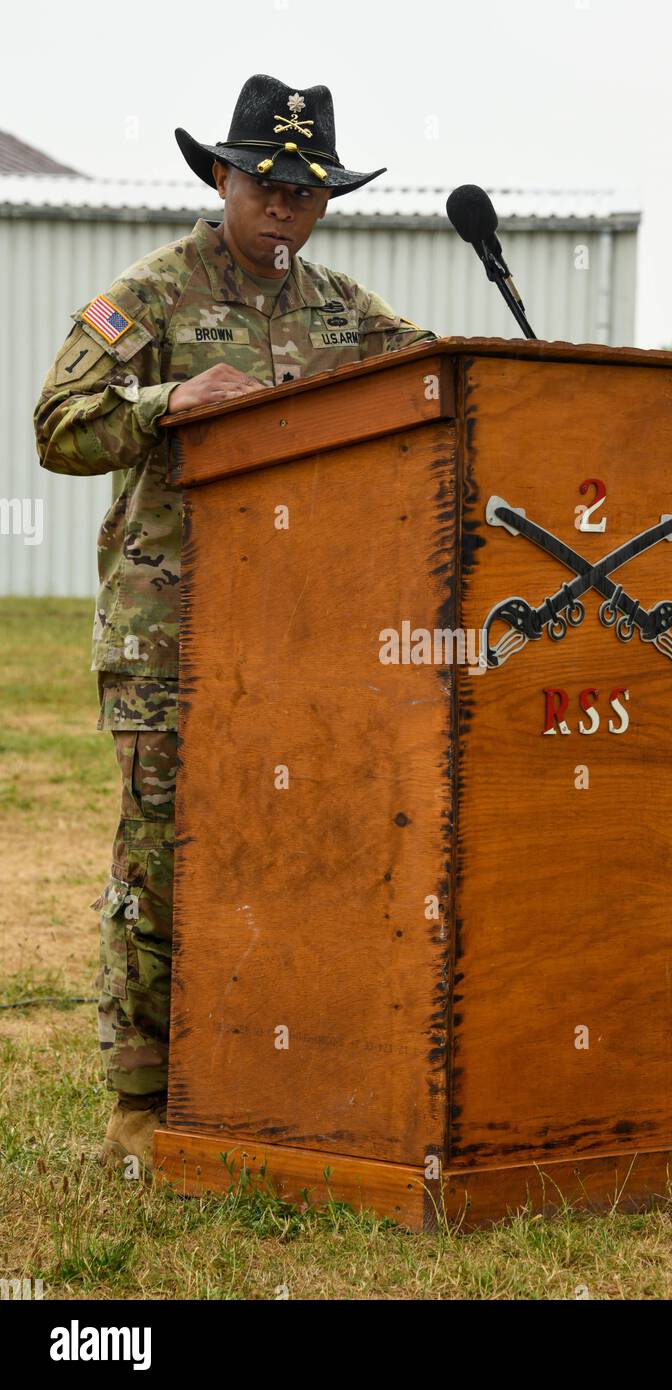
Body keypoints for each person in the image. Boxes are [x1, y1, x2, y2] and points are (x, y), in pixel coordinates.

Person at [33, 74, 437, 1172]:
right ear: (221, 177)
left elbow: (439, 380)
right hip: (167, 629)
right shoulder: (153, 295)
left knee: (294, 852)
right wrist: (168, 402)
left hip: (301, 637)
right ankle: (137, 1101)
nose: (285, 208)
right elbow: (56, 425)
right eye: (266, 183)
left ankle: (269, 1072)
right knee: (162, 857)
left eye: (307, 192)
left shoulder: (343, 311)